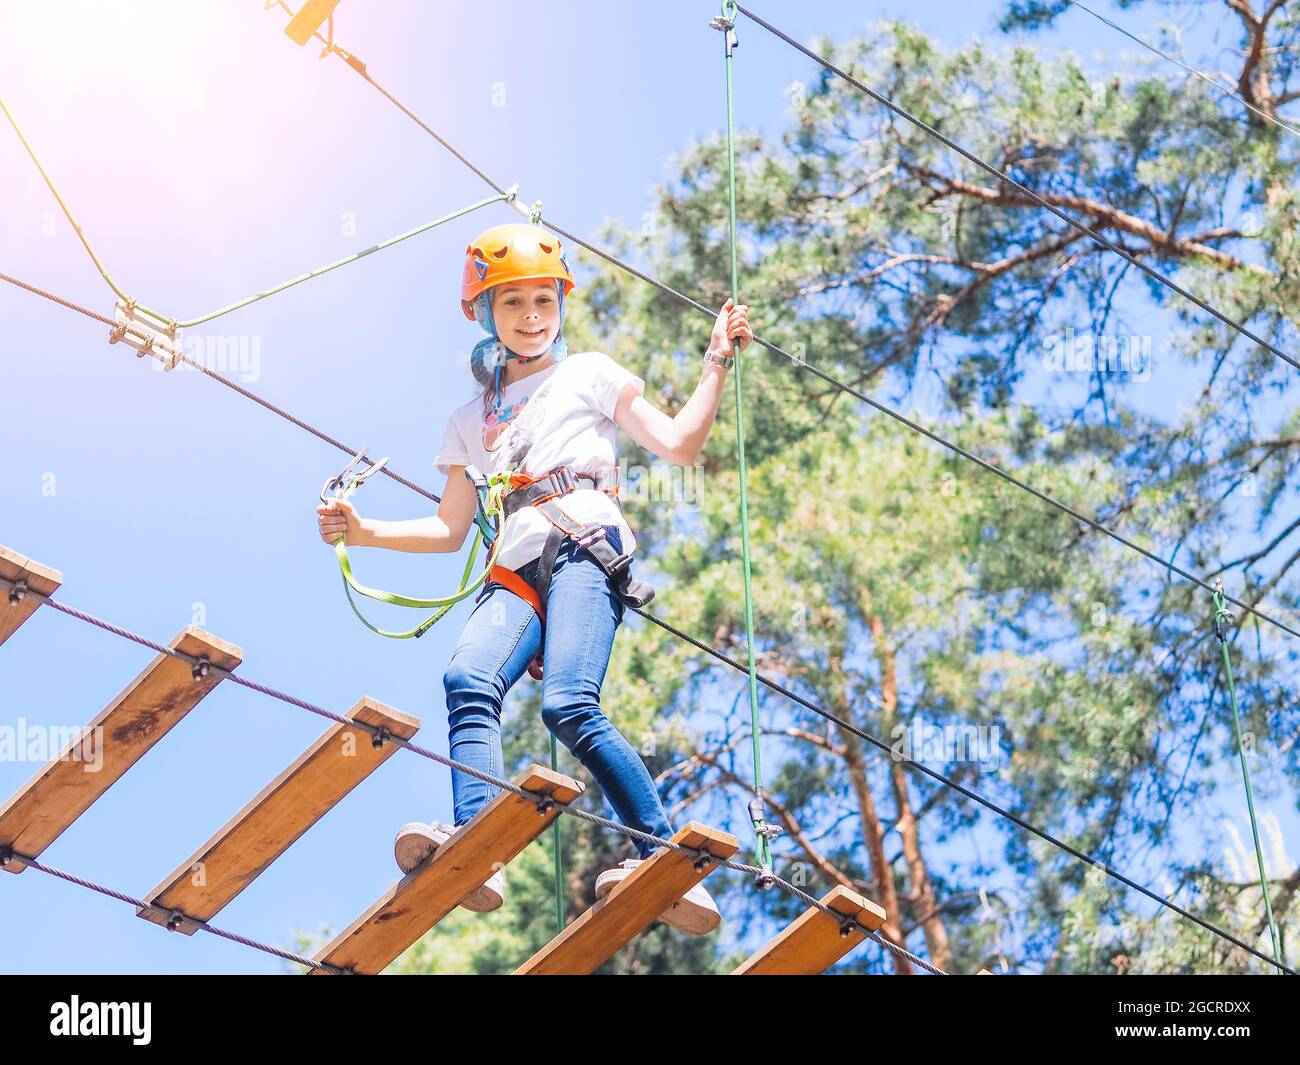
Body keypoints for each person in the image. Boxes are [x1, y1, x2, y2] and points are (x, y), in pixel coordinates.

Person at [316, 222, 752, 934]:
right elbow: (449, 528)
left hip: (584, 543)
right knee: (467, 680)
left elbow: (679, 443)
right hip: (514, 568)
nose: (530, 316)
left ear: (560, 305)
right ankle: (478, 842)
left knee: (567, 706)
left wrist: (715, 364)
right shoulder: (469, 419)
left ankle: (664, 855)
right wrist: (361, 532)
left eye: (543, 301)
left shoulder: (587, 374)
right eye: (511, 302)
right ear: (485, 314)